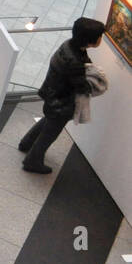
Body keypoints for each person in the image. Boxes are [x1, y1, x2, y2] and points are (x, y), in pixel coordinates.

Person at [17, 17, 106, 174]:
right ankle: (32, 161)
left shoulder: (68, 45)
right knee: (50, 134)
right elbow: (82, 87)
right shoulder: (75, 62)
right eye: (100, 36)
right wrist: (97, 81)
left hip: (52, 95)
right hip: (62, 102)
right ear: (90, 40)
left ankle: (26, 143)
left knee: (48, 121)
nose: (101, 39)